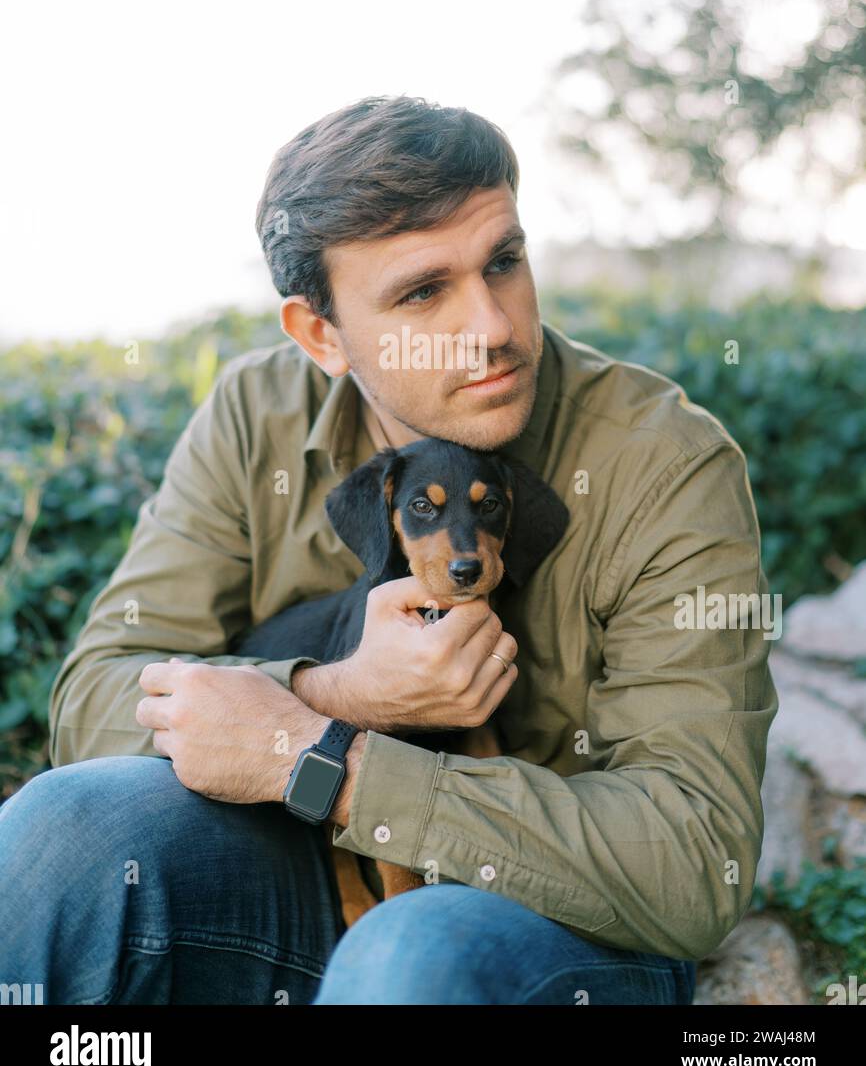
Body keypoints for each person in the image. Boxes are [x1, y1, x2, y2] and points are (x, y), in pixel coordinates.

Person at [0, 95, 777, 1005]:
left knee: (410, 957)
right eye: (422, 292)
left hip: (556, 921)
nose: (491, 326)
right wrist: (329, 699)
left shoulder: (664, 461)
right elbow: (96, 693)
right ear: (321, 335)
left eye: (505, 262)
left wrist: (330, 764)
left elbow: (693, 866)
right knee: (62, 826)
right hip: (303, 881)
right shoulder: (256, 417)